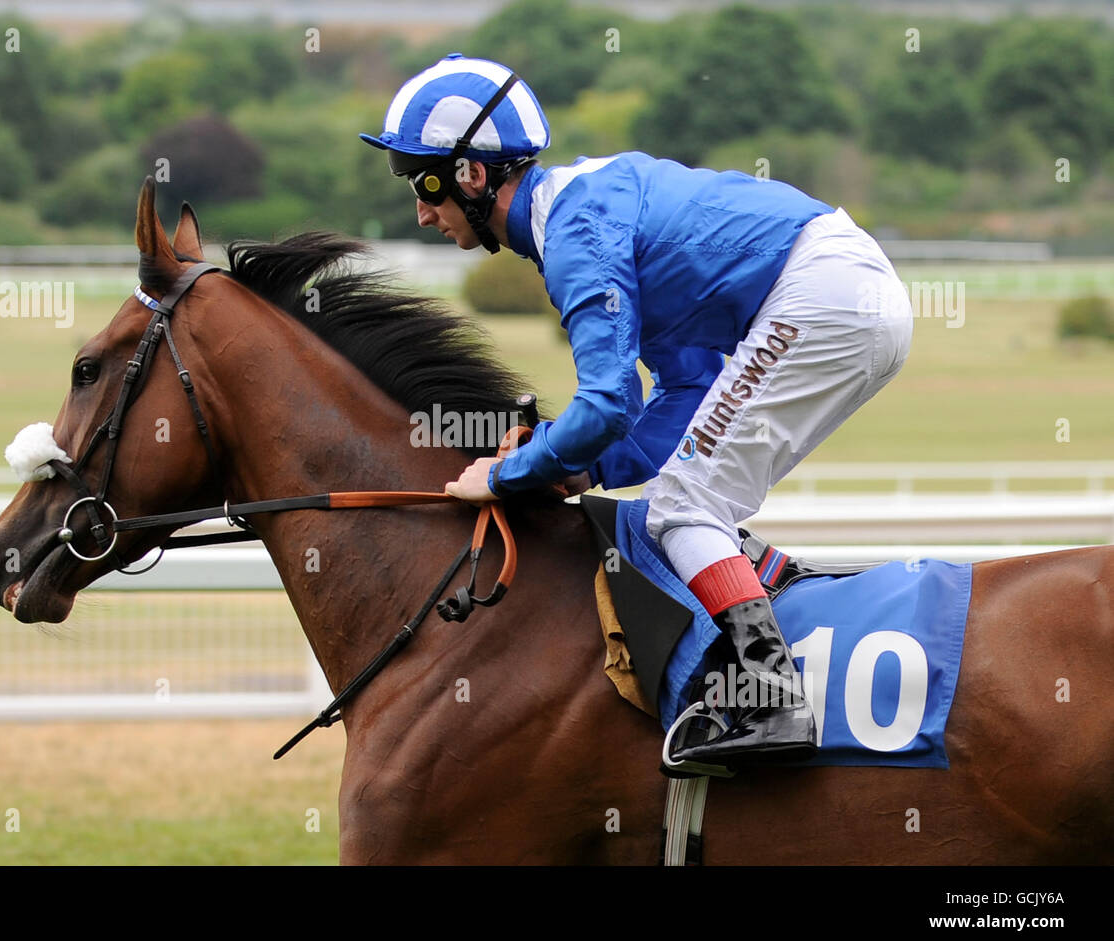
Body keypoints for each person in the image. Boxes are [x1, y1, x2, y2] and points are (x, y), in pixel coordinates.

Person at [360, 54, 913, 766]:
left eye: (421, 182)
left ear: (470, 174)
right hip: (845, 294)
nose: (419, 209)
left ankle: (773, 696)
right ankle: (771, 603)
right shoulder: (581, 209)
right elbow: (684, 393)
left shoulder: (576, 232)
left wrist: (506, 476)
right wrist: (581, 469)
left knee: (683, 508)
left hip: (826, 298)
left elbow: (608, 400)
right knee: (690, 494)